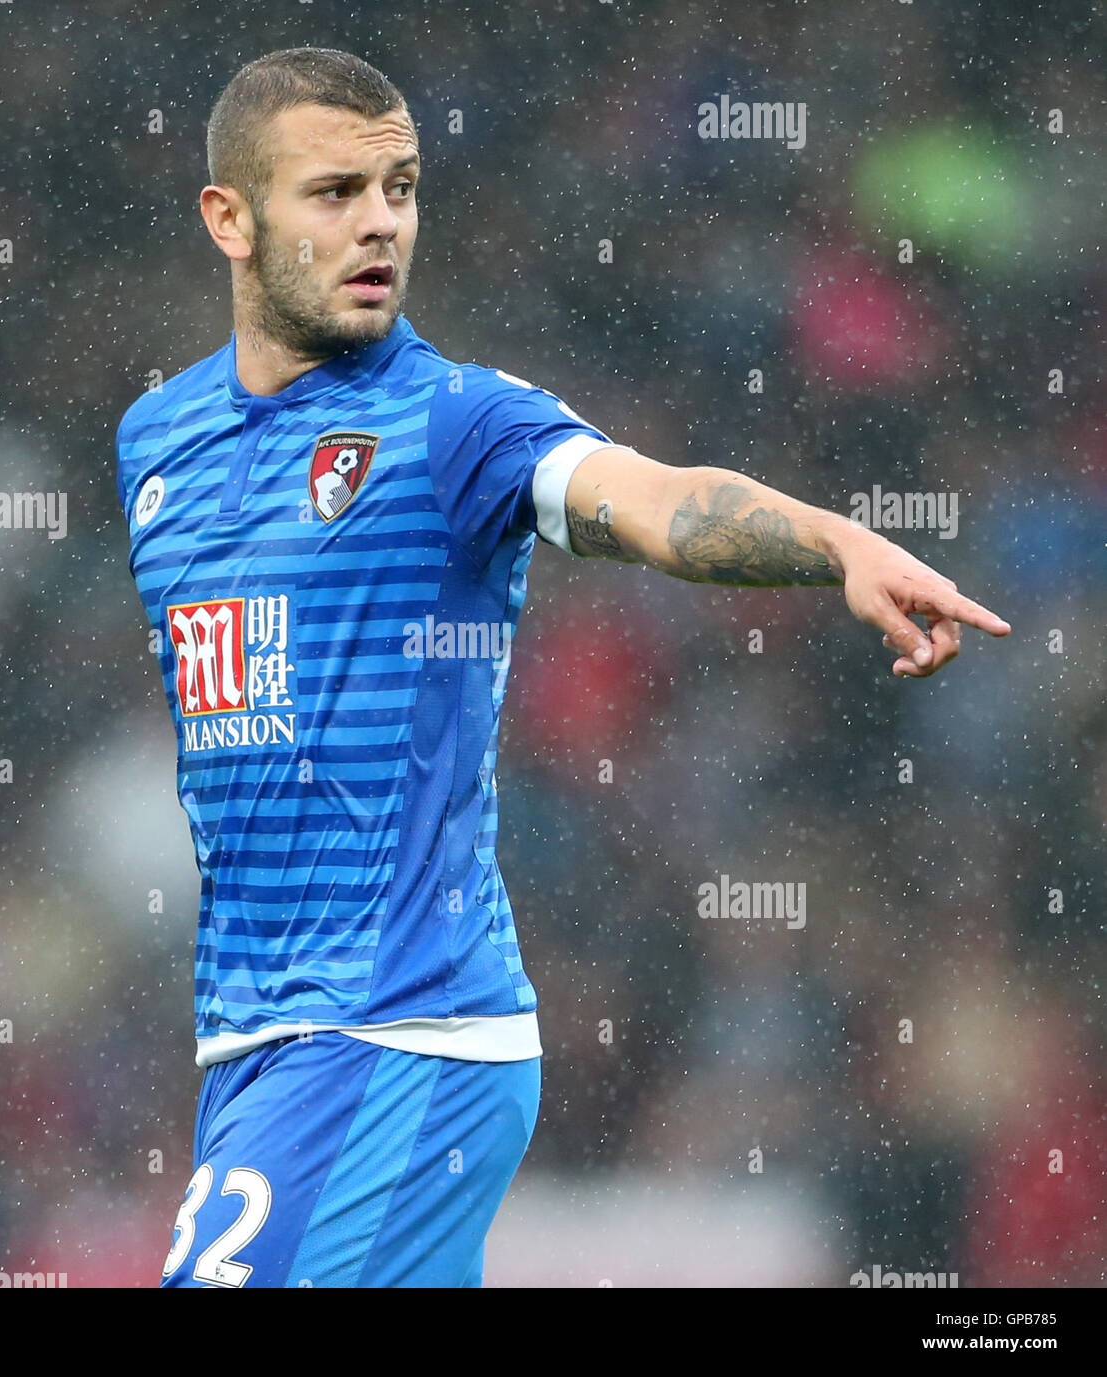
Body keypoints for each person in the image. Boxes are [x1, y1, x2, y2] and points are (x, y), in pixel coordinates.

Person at [115, 47, 1010, 1289]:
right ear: (230, 218)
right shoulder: (157, 443)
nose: (381, 222)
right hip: (251, 1042)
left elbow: (651, 500)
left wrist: (835, 544)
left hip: (396, 1030)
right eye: (334, 192)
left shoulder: (454, 421)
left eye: (400, 188)